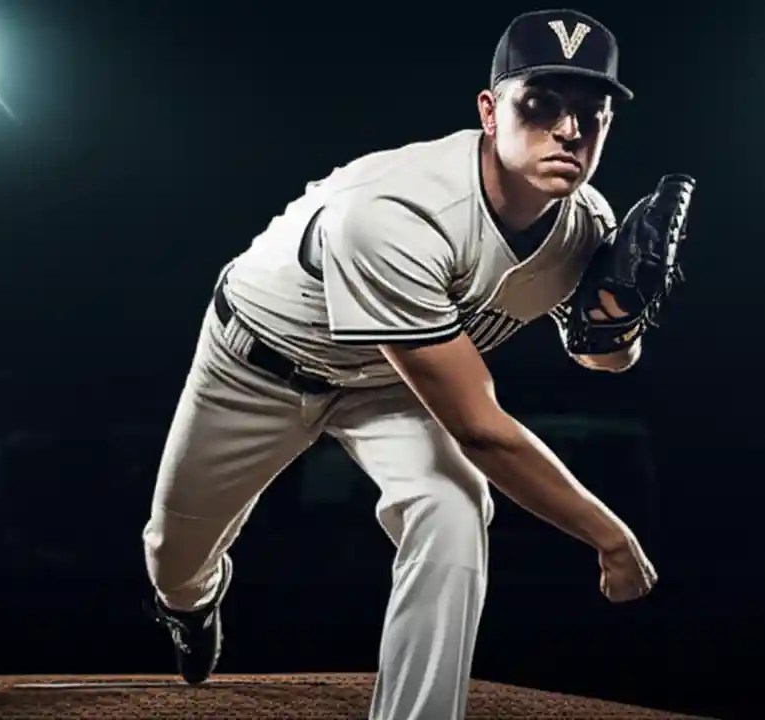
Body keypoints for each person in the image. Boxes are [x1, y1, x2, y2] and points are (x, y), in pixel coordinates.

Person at [142, 8, 660, 719]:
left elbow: (603, 360)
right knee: (175, 552)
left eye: (591, 113)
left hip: (394, 383)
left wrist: (619, 323)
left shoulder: (587, 225)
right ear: (489, 109)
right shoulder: (396, 211)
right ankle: (191, 605)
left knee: (453, 507)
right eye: (540, 105)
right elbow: (480, 430)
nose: (569, 130)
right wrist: (610, 536)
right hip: (257, 366)